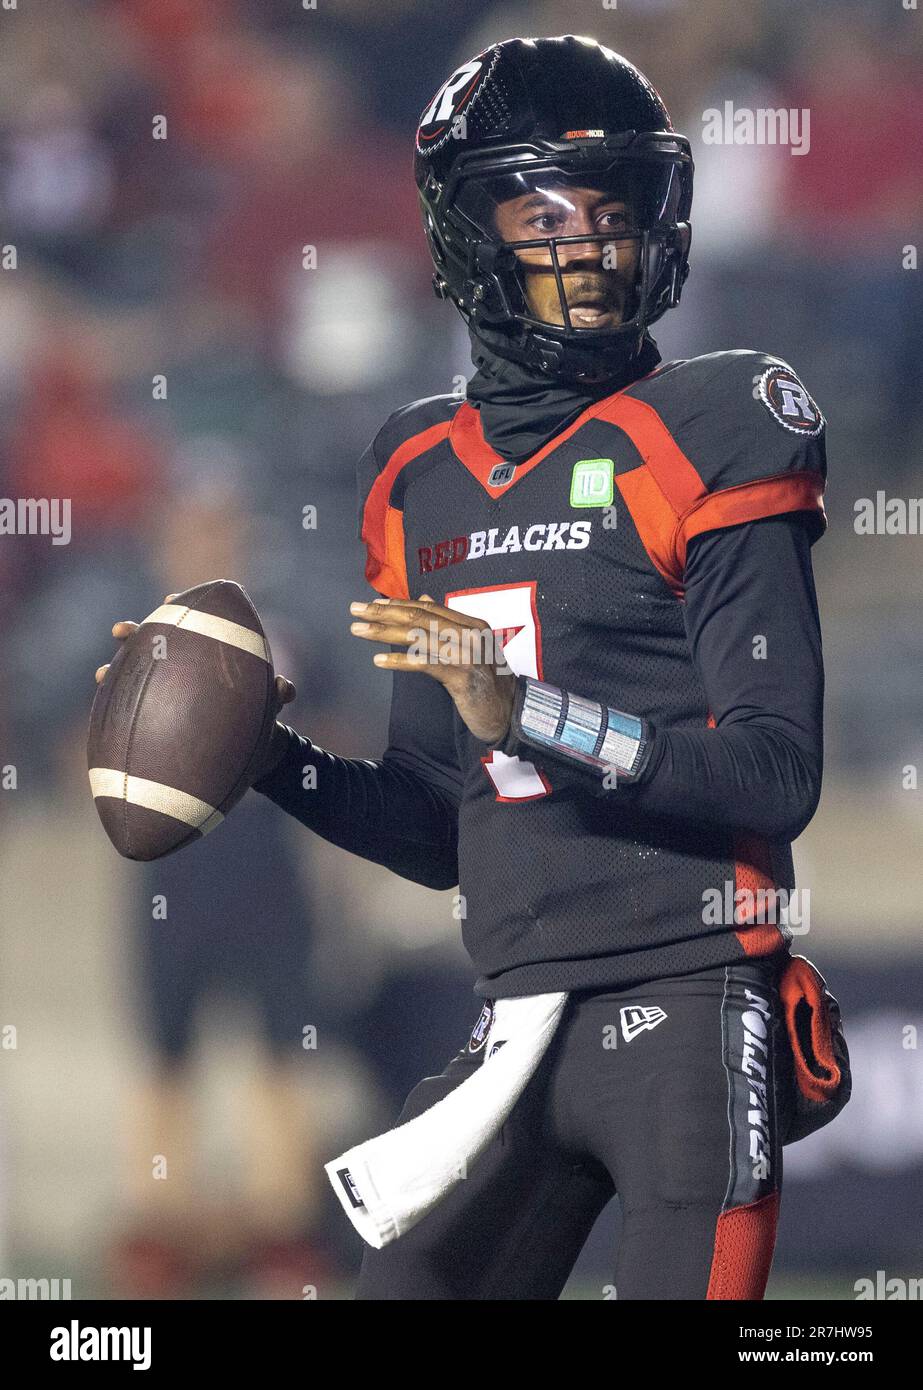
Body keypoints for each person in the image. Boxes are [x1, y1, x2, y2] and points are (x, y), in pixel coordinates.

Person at [98, 36, 833, 1300]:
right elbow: (443, 825)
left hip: (691, 1002)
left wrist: (525, 709)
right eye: (542, 211)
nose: (589, 247)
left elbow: (774, 774)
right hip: (514, 1022)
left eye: (611, 211)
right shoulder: (413, 471)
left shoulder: (717, 421)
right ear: (466, 231)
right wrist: (266, 755)